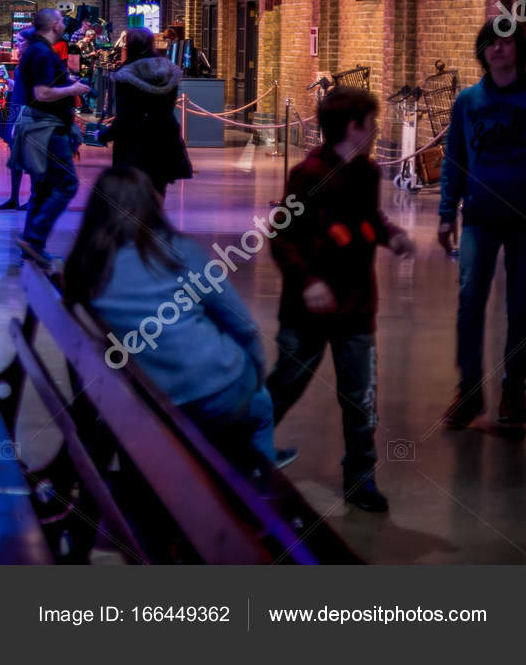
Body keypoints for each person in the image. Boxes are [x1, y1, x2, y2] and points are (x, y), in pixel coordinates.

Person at [62, 167, 278, 469]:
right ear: (151, 204)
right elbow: (243, 324)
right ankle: (259, 485)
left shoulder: (86, 266)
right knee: (261, 405)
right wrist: (257, 374)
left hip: (148, 393)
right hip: (216, 388)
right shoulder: (178, 250)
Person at [266, 87, 414, 513]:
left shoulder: (366, 173)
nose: (376, 130)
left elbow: (370, 219)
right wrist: (308, 281)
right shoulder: (308, 175)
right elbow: (282, 237)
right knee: (285, 384)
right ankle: (240, 451)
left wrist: (392, 236)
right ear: (354, 127)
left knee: (360, 395)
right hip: (307, 311)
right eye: (371, 123)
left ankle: (360, 477)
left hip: (356, 306)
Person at [439, 18, 526, 429]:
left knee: (522, 308)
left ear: (518, 49)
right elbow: (454, 159)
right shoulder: (468, 102)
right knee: (470, 301)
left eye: (505, 41)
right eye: (490, 41)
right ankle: (470, 389)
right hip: (478, 216)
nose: (497, 48)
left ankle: (514, 390)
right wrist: (446, 213)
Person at [13, 8, 91, 267]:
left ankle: (31, 247)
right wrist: (73, 89)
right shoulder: (42, 52)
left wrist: (65, 81)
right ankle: (35, 239)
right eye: (62, 20)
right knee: (67, 184)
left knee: (43, 188)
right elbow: (42, 93)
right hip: (45, 128)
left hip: (40, 125)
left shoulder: (38, 50)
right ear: (54, 24)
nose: (65, 25)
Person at [98, 27, 192, 196]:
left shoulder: (126, 75)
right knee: (157, 191)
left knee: (131, 195)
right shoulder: (167, 72)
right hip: (163, 139)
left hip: (134, 141)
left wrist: (106, 134)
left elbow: (126, 115)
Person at [0, 31, 33, 210]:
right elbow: (18, 87)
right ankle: (14, 197)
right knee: (16, 155)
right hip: (16, 107)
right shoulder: (24, 61)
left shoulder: (32, 62)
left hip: (24, 111)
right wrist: (6, 79)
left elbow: (31, 92)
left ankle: (33, 198)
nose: (17, 44)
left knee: (29, 157)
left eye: (20, 41)